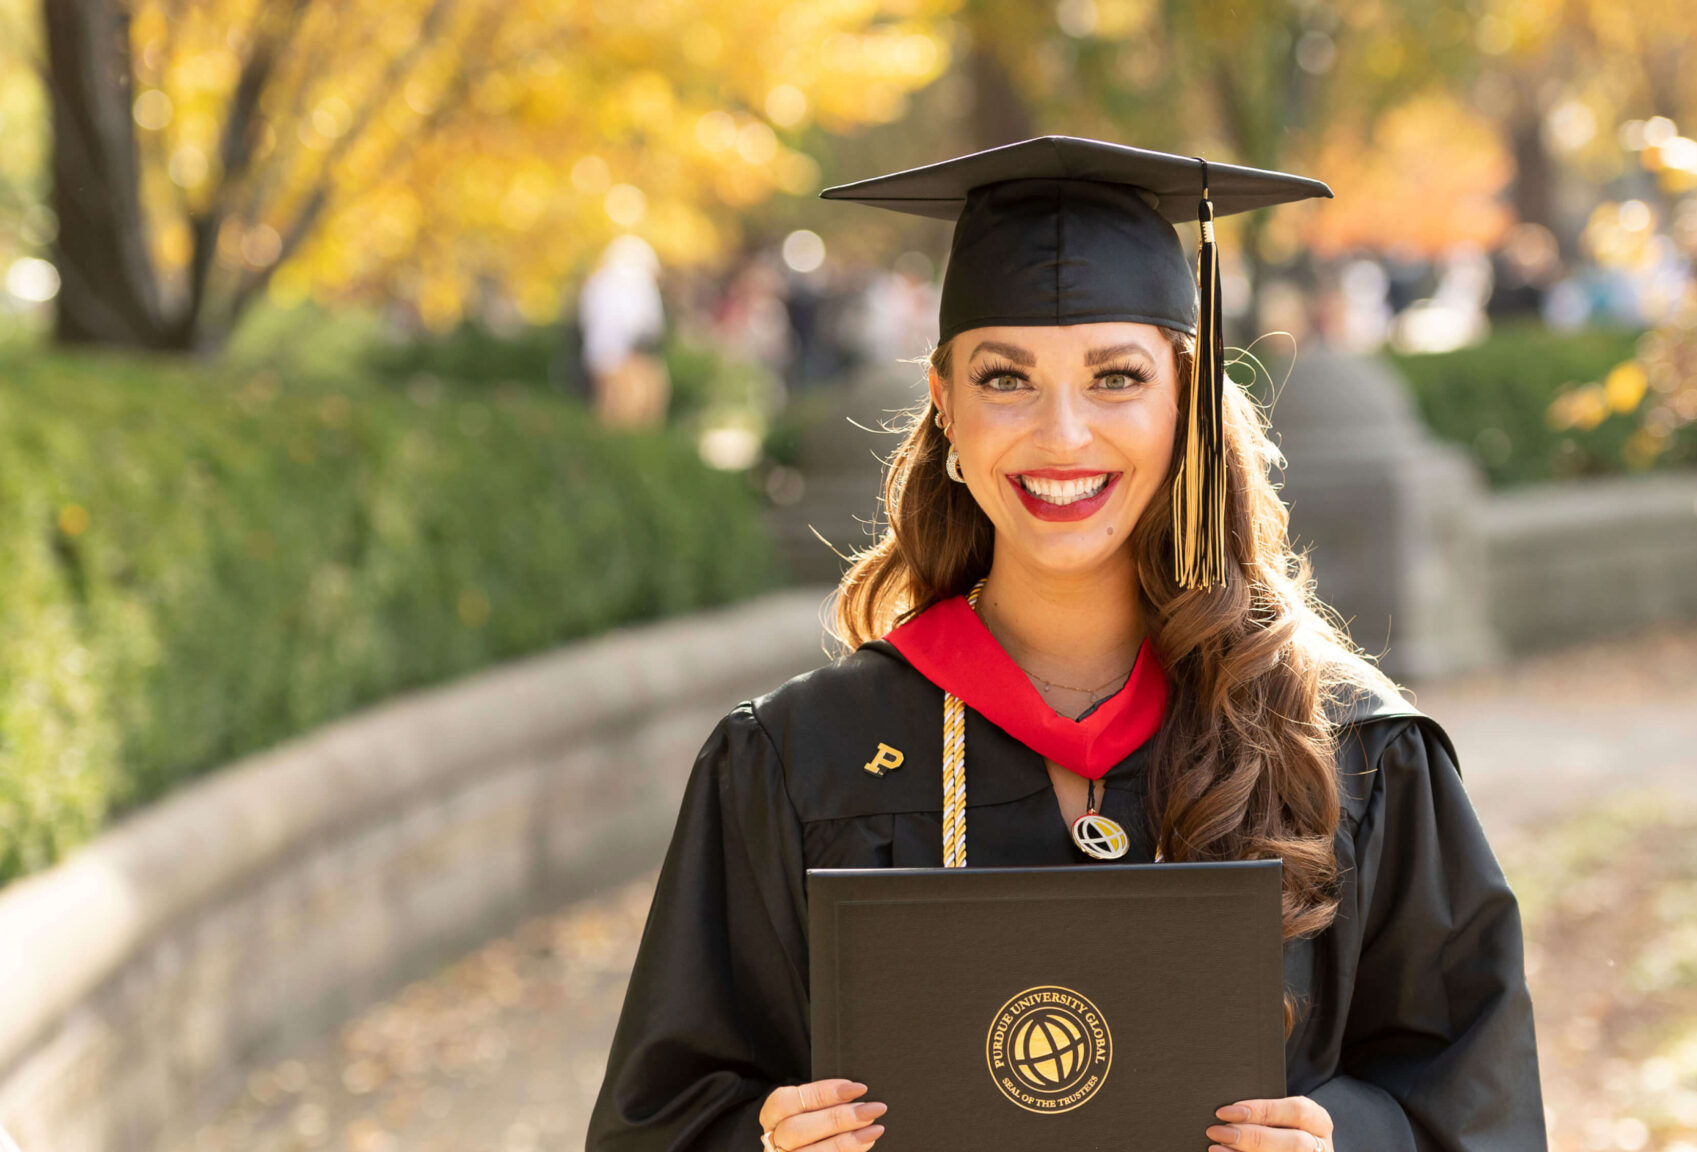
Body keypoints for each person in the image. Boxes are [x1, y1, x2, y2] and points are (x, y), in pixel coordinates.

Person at [585, 136, 1545, 1152]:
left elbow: (1472, 1108)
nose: (1063, 435)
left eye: (1116, 377)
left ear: (1184, 404)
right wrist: (765, 1143)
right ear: (944, 406)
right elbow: (661, 1122)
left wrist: (1343, 1140)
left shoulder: (1347, 749)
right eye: (1005, 379)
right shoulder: (795, 763)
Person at [579, 235, 673, 429]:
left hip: (609, 355)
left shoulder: (599, 283)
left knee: (612, 408)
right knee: (625, 410)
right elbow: (646, 325)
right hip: (625, 357)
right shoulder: (634, 287)